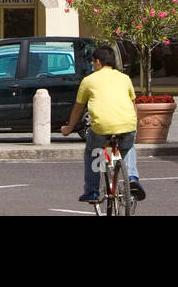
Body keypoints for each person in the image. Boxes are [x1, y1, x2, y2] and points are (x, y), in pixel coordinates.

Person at [60, 44, 148, 204]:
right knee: (127, 148)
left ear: (98, 62)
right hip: (127, 124)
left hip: (102, 127)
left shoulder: (89, 80)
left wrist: (68, 128)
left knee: (92, 152)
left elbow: (78, 108)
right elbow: (133, 104)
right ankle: (133, 178)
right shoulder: (125, 78)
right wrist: (133, 126)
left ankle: (92, 191)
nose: (93, 66)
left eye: (93, 63)